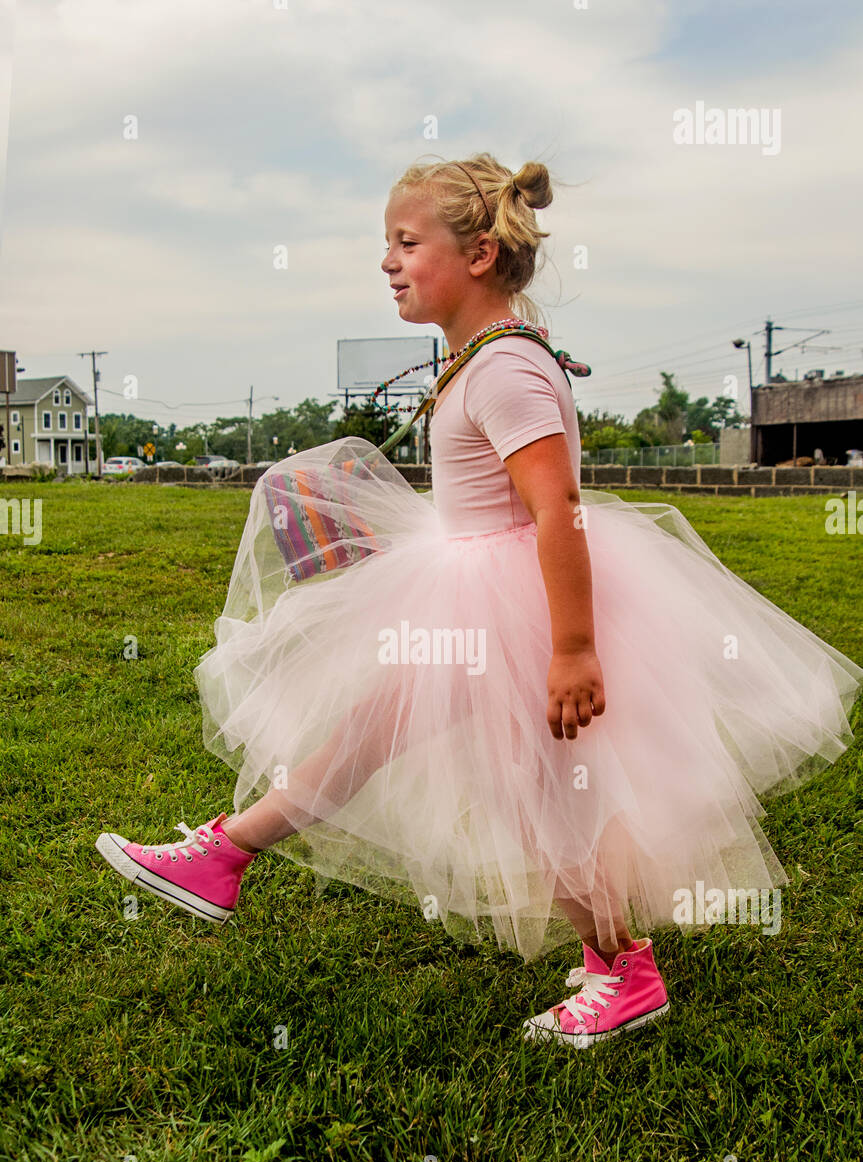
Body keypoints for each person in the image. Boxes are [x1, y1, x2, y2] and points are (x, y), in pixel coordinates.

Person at [95, 154, 863, 1052]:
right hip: (465, 597)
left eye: (407, 242)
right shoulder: (476, 363)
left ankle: (623, 970)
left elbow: (556, 509)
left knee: (544, 794)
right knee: (368, 731)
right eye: (386, 242)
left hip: (516, 614)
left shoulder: (505, 371)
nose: (388, 261)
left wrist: (571, 648)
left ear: (481, 254)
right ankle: (224, 857)